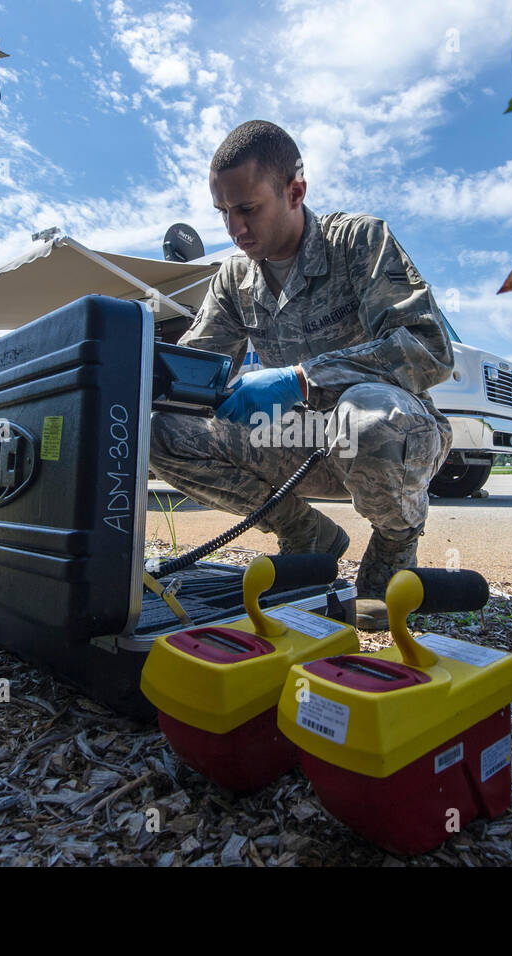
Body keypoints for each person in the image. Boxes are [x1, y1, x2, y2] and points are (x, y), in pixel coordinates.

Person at [149, 120, 454, 631]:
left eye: (247, 209)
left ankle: (393, 550)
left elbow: (429, 349)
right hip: (300, 445)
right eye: (223, 212)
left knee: (365, 419)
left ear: (295, 191)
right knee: (161, 431)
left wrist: (303, 378)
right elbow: (190, 369)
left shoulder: (359, 241)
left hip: (387, 439)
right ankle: (306, 534)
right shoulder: (234, 278)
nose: (235, 229)